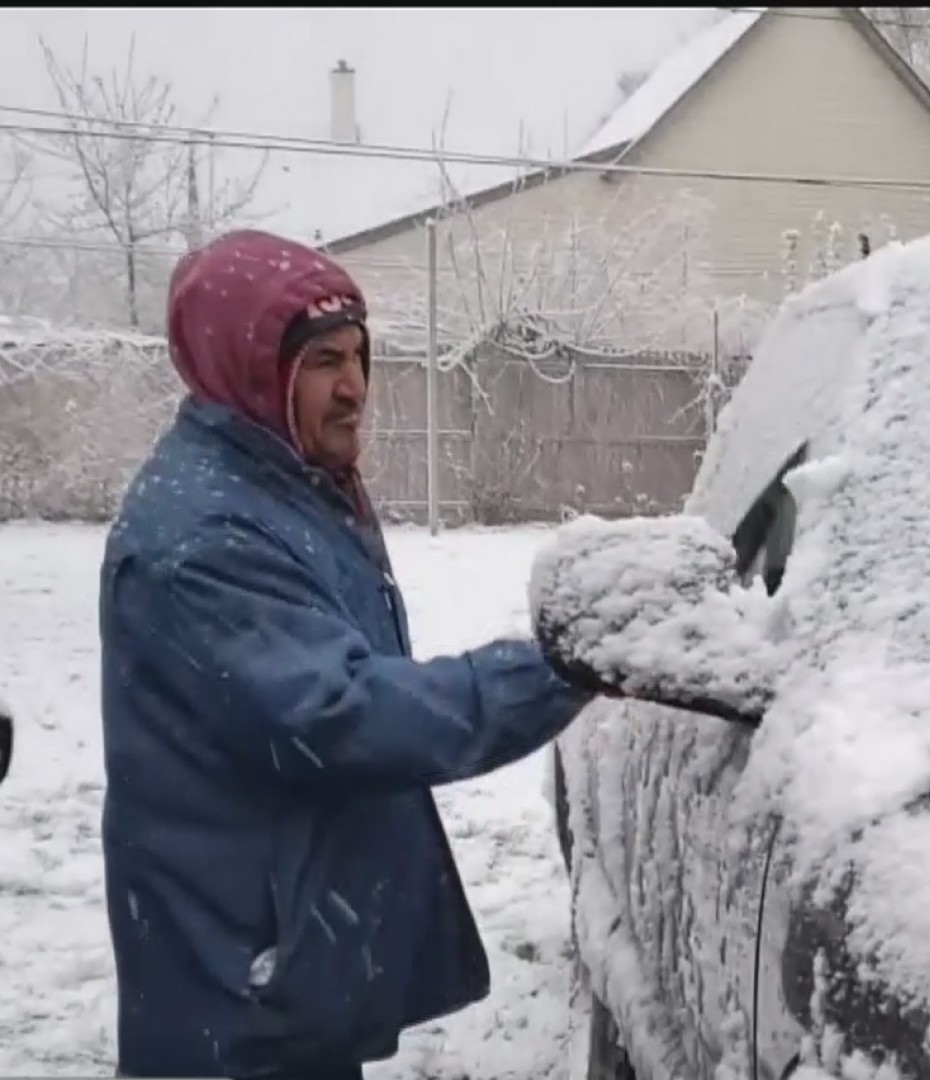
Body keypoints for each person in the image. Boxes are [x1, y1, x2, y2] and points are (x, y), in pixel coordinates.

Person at [98, 230, 608, 1079]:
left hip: (280, 961)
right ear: (253, 367)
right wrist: (555, 670)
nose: (355, 389)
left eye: (361, 357)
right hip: (238, 991)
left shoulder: (276, 484)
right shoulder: (204, 540)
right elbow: (343, 714)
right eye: (326, 362)